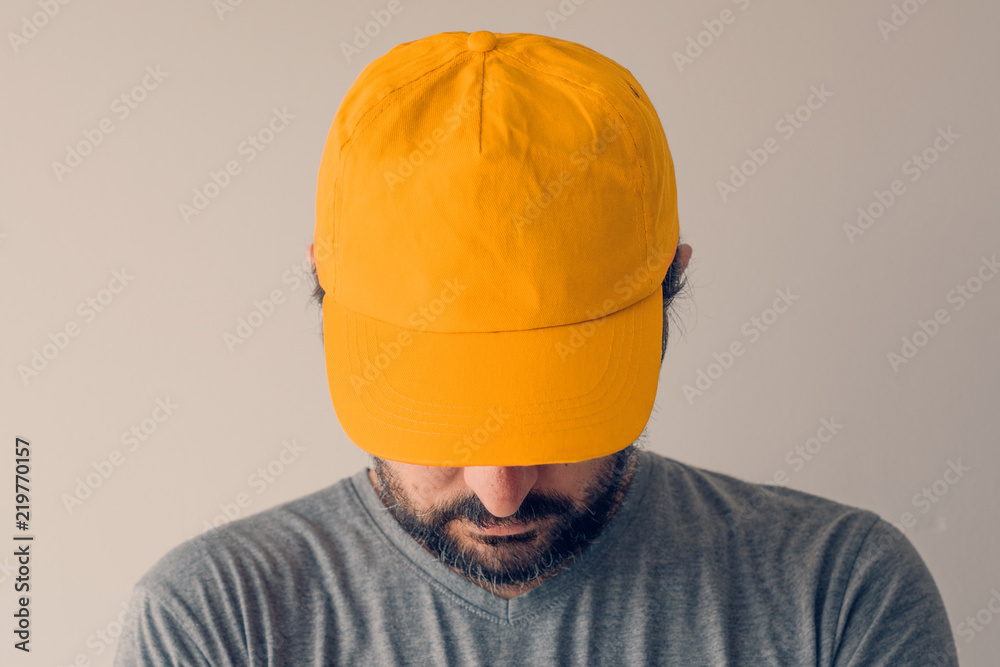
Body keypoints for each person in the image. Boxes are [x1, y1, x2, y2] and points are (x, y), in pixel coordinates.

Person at [115, 30, 959, 665]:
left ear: (670, 285)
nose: (501, 490)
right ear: (323, 292)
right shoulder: (215, 623)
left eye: (554, 410)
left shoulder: (839, 595)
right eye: (440, 414)